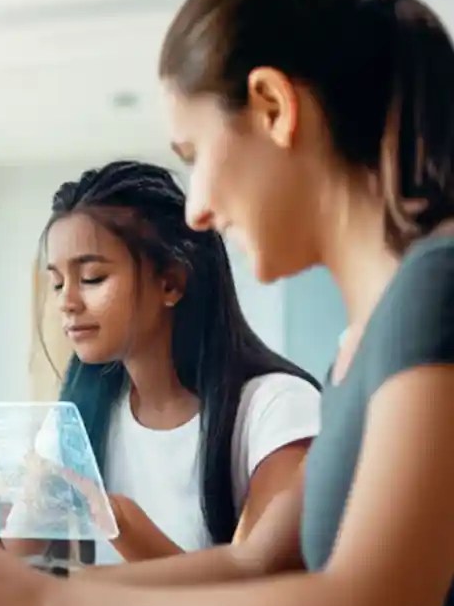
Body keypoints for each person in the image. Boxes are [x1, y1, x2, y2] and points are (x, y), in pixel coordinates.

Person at [0, 0, 454, 606]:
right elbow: (251, 566)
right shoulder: (366, 338)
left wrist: (51, 605)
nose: (200, 210)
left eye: (194, 152)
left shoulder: (437, 290)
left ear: (274, 106)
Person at [40, 161, 320, 564]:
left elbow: (257, 589)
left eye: (92, 278)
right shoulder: (78, 415)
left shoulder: (278, 409)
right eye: (57, 283)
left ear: (170, 283)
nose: (66, 302)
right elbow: (24, 569)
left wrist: (121, 522)